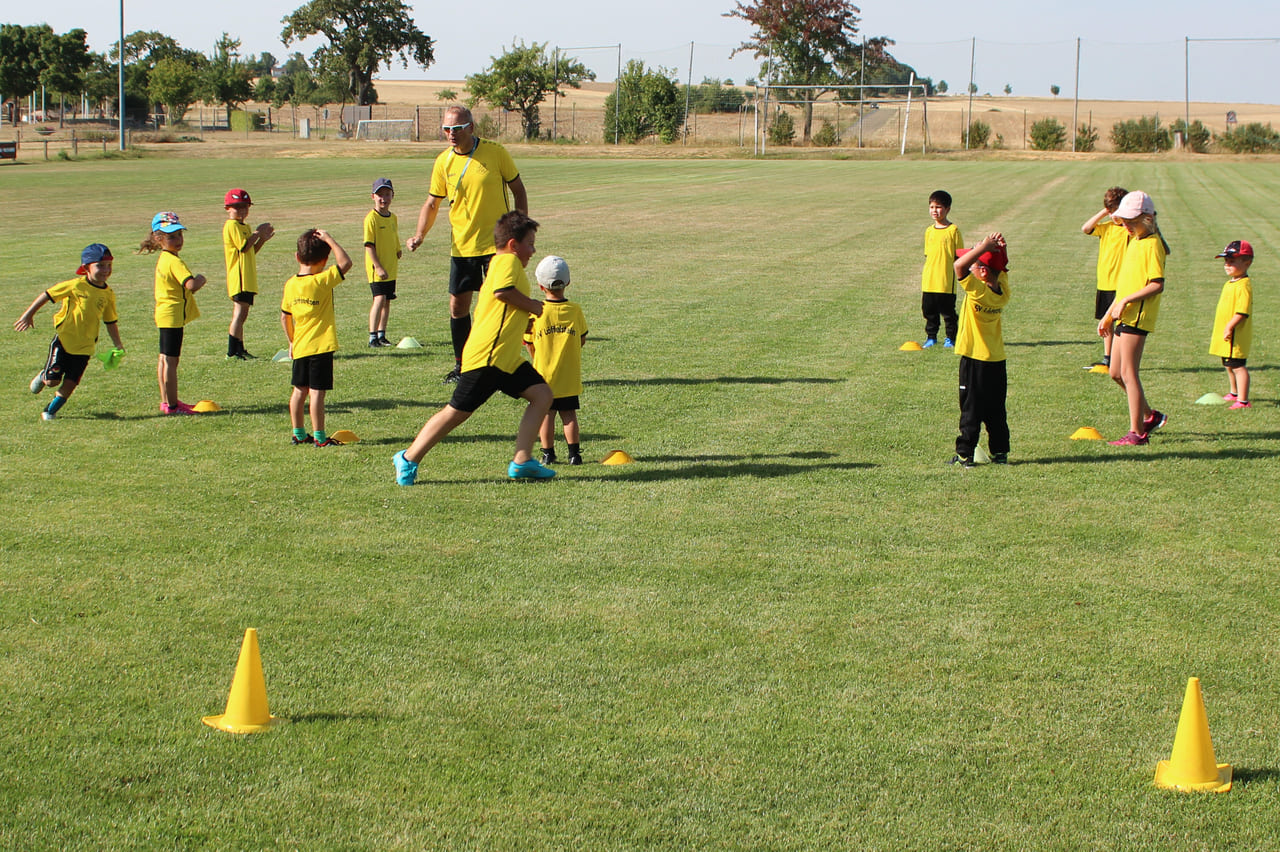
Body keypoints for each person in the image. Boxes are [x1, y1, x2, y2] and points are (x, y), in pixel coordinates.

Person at [394, 211, 555, 484]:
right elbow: (502, 293)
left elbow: (501, 306)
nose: (533, 250)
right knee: (457, 412)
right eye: (530, 243)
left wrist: (522, 321)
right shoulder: (508, 261)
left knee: (542, 395)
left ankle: (522, 461)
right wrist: (533, 306)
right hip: (488, 357)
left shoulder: (502, 262)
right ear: (514, 244)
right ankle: (408, 458)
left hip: (505, 358)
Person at [406, 105, 528, 383]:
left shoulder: (495, 153)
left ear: (471, 128)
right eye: (446, 129)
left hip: (497, 248)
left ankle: (501, 365)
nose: (451, 134)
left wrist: (520, 230)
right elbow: (432, 203)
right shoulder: (442, 162)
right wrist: (419, 235)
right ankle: (463, 366)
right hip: (462, 248)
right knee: (458, 308)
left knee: (499, 305)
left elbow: (518, 189)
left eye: (457, 129)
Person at [14, 243, 125, 421]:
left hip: (85, 347)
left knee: (70, 383)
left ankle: (49, 411)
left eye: (109, 265)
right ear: (86, 268)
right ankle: (44, 374)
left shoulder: (108, 294)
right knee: (52, 382)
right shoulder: (75, 286)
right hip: (64, 341)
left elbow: (110, 321)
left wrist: (118, 344)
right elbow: (47, 294)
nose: (105, 270)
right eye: (100, 265)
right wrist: (28, 315)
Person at [1098, 190, 1170, 446]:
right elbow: (1125, 286)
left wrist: (1128, 302)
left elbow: (1156, 284)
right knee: (1115, 372)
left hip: (1137, 317)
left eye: (1131, 221)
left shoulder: (1152, 244)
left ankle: (1136, 433)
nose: (1126, 226)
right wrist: (1108, 315)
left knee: (1129, 373)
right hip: (1123, 315)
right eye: (1124, 221)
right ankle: (1150, 416)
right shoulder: (1135, 241)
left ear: (1147, 218)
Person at [280, 229, 354, 446]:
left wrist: (291, 342)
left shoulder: (291, 284)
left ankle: (298, 433)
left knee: (299, 391)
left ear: (297, 256)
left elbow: (285, 317)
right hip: (320, 346)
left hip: (300, 345)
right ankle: (320, 438)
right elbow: (346, 263)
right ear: (325, 259)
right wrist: (330, 239)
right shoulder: (322, 280)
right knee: (317, 394)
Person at [949, 234, 1011, 468]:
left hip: (975, 360)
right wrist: (999, 251)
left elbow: (958, 266)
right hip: (996, 359)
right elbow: (1000, 269)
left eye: (976, 266)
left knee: (970, 408)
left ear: (983, 273)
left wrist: (985, 247)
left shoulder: (977, 291)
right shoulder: (1003, 292)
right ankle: (1000, 453)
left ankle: (965, 455)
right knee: (996, 410)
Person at [524, 255, 589, 466]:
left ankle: (548, 454)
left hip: (544, 376)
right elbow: (581, 339)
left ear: (540, 286)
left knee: (546, 415)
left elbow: (529, 343)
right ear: (568, 282)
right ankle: (574, 455)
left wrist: (538, 357)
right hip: (568, 375)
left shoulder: (536, 313)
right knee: (569, 415)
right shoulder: (575, 310)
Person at [141, 211, 208, 415]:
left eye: (179, 235)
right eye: (171, 236)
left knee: (164, 359)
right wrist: (201, 279)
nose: (178, 240)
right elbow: (191, 285)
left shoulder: (164, 258)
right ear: (158, 238)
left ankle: (167, 401)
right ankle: (172, 406)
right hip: (172, 316)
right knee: (171, 361)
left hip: (164, 314)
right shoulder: (174, 261)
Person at [222, 188, 274, 359]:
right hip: (239, 277)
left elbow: (250, 251)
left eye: (245, 207)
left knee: (243, 314)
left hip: (247, 276)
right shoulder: (232, 225)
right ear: (228, 208)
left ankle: (240, 349)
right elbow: (243, 246)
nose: (242, 211)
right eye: (237, 207)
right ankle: (233, 350)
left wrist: (261, 240)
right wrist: (257, 233)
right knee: (239, 313)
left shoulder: (244, 227)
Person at [1080, 186, 1129, 370]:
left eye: (1117, 212)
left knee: (1122, 324)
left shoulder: (1129, 231)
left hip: (1123, 284)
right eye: (1111, 212)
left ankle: (1122, 358)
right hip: (1105, 282)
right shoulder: (1106, 227)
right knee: (1106, 322)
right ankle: (1107, 357)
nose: (1114, 216)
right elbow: (1086, 228)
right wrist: (1105, 212)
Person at [1209, 240, 1255, 410]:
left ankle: (1243, 400)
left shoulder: (1244, 285)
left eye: (1233, 261)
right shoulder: (1231, 282)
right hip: (1227, 333)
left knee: (1238, 366)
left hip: (1236, 334)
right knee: (1228, 364)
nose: (1227, 265)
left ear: (1247, 263)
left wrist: (1230, 326)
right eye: (1226, 261)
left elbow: (1242, 312)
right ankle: (1234, 392)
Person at [921, 189, 963, 348]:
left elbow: (959, 255)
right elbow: (927, 254)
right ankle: (931, 337)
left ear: (947, 209)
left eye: (938, 207)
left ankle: (950, 338)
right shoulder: (929, 231)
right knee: (928, 310)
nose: (935, 211)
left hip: (945, 280)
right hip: (929, 279)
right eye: (932, 207)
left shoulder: (953, 230)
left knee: (948, 312)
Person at [364, 178, 401, 348]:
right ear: (373, 196)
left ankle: (382, 334)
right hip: (377, 268)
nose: (383, 198)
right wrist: (378, 266)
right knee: (378, 299)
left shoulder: (393, 217)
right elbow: (369, 246)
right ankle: (372, 337)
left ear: (392, 195)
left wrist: (398, 249)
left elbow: (394, 236)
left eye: (387, 194)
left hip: (391, 266)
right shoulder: (371, 219)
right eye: (380, 195)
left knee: (387, 300)